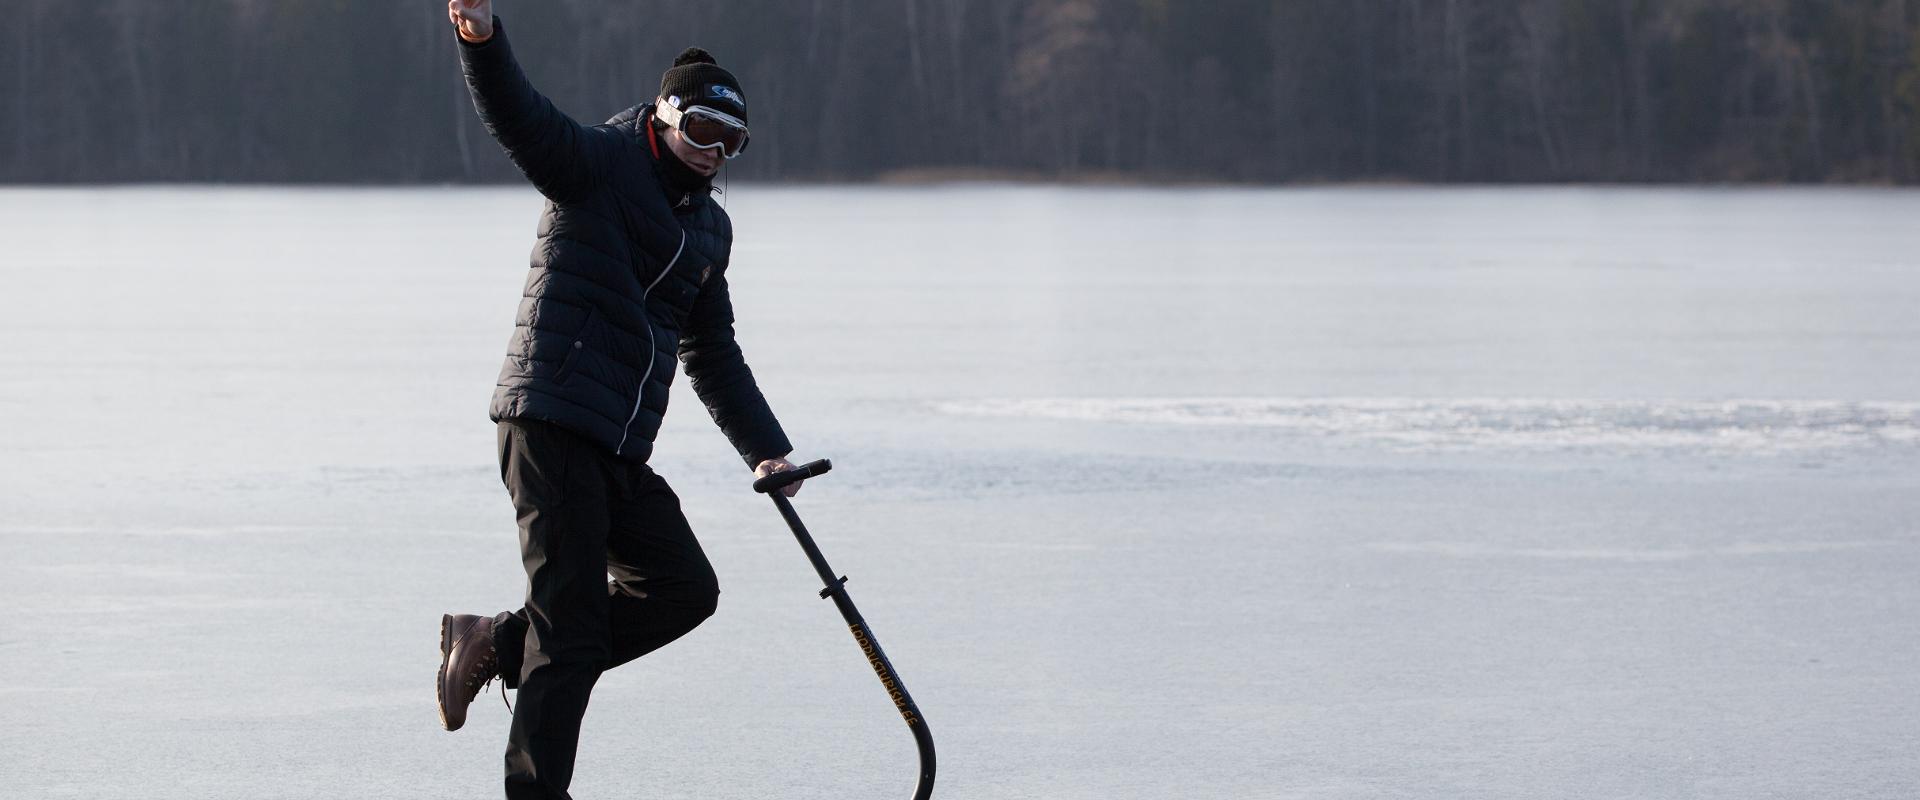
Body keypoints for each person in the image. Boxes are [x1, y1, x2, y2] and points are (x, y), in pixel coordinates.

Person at [435, 1, 802, 797]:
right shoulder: (596, 162)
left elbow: (713, 350)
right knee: (568, 635)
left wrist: (765, 448)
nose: (715, 154)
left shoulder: (709, 231)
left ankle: (495, 640)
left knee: (682, 589)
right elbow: (517, 117)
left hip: (618, 447)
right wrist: (480, 36)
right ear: (666, 117)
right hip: (549, 420)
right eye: (704, 132)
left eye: (731, 143)